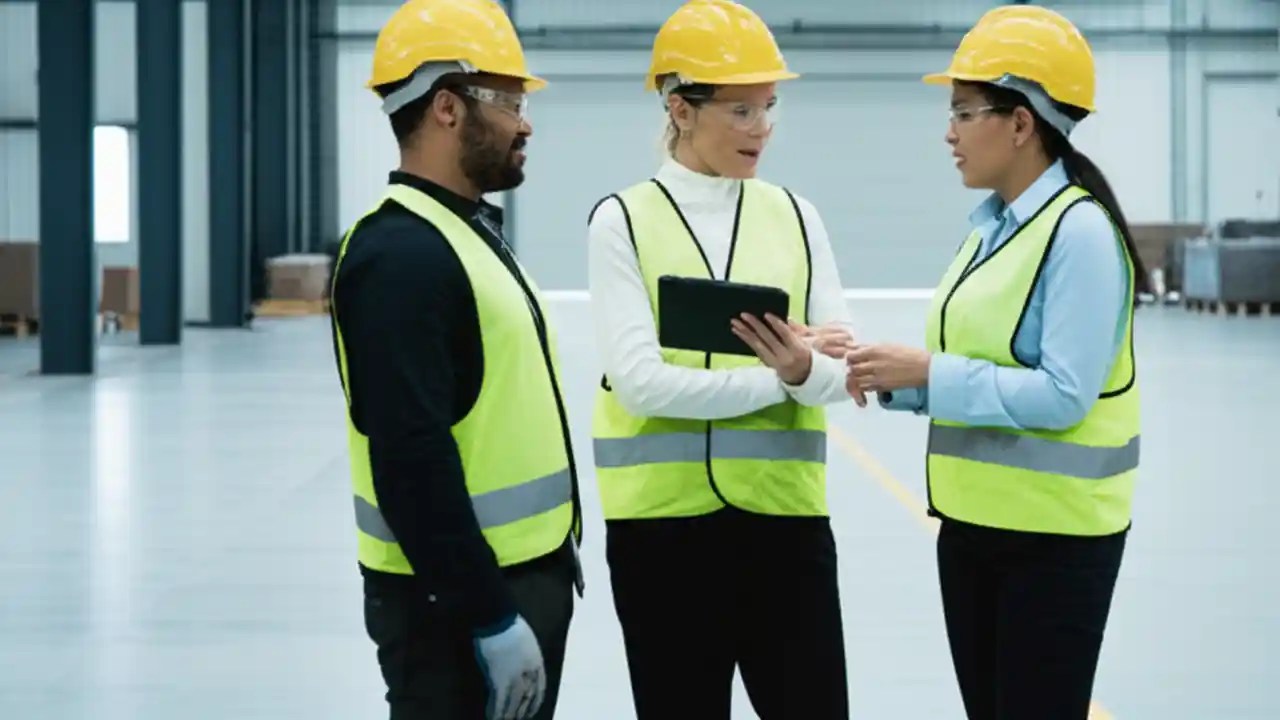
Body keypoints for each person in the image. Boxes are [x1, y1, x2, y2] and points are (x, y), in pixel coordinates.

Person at [845, 6, 1144, 719]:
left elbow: (1064, 396)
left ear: (1021, 123)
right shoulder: (990, 229)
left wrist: (927, 374)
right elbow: (974, 362)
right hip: (974, 530)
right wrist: (895, 377)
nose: (948, 133)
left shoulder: (1080, 235)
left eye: (963, 111)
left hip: (1055, 545)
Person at [586, 1, 861, 717]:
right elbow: (642, 384)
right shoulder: (623, 220)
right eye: (740, 111)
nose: (761, 129)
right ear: (679, 108)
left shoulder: (799, 217)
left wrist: (807, 371)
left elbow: (840, 369)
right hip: (662, 539)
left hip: (786, 531)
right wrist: (782, 372)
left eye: (768, 108)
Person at [328, 1, 583, 718]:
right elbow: (409, 455)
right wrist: (489, 616)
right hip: (456, 608)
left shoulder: (462, 235)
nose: (525, 122)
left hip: (507, 583)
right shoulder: (399, 257)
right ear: (447, 107)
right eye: (509, 102)